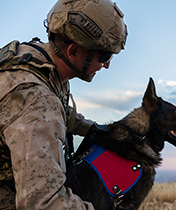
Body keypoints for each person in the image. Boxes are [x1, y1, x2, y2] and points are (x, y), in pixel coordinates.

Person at [0, 0, 127, 209]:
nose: (107, 65)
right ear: (73, 52)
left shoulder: (33, 58)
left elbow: (60, 109)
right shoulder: (36, 101)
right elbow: (43, 203)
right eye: (104, 55)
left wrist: (92, 128)